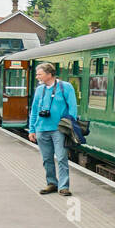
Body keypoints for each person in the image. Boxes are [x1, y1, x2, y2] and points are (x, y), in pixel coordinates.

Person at [27, 62, 78, 196]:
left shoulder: (65, 87)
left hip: (58, 129)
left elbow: (73, 108)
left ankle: (63, 186)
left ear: (49, 74)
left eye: (39, 74)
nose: (37, 76)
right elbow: (34, 110)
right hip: (41, 129)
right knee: (47, 159)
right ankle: (51, 183)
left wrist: (69, 125)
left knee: (61, 157)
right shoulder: (39, 89)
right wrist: (32, 129)